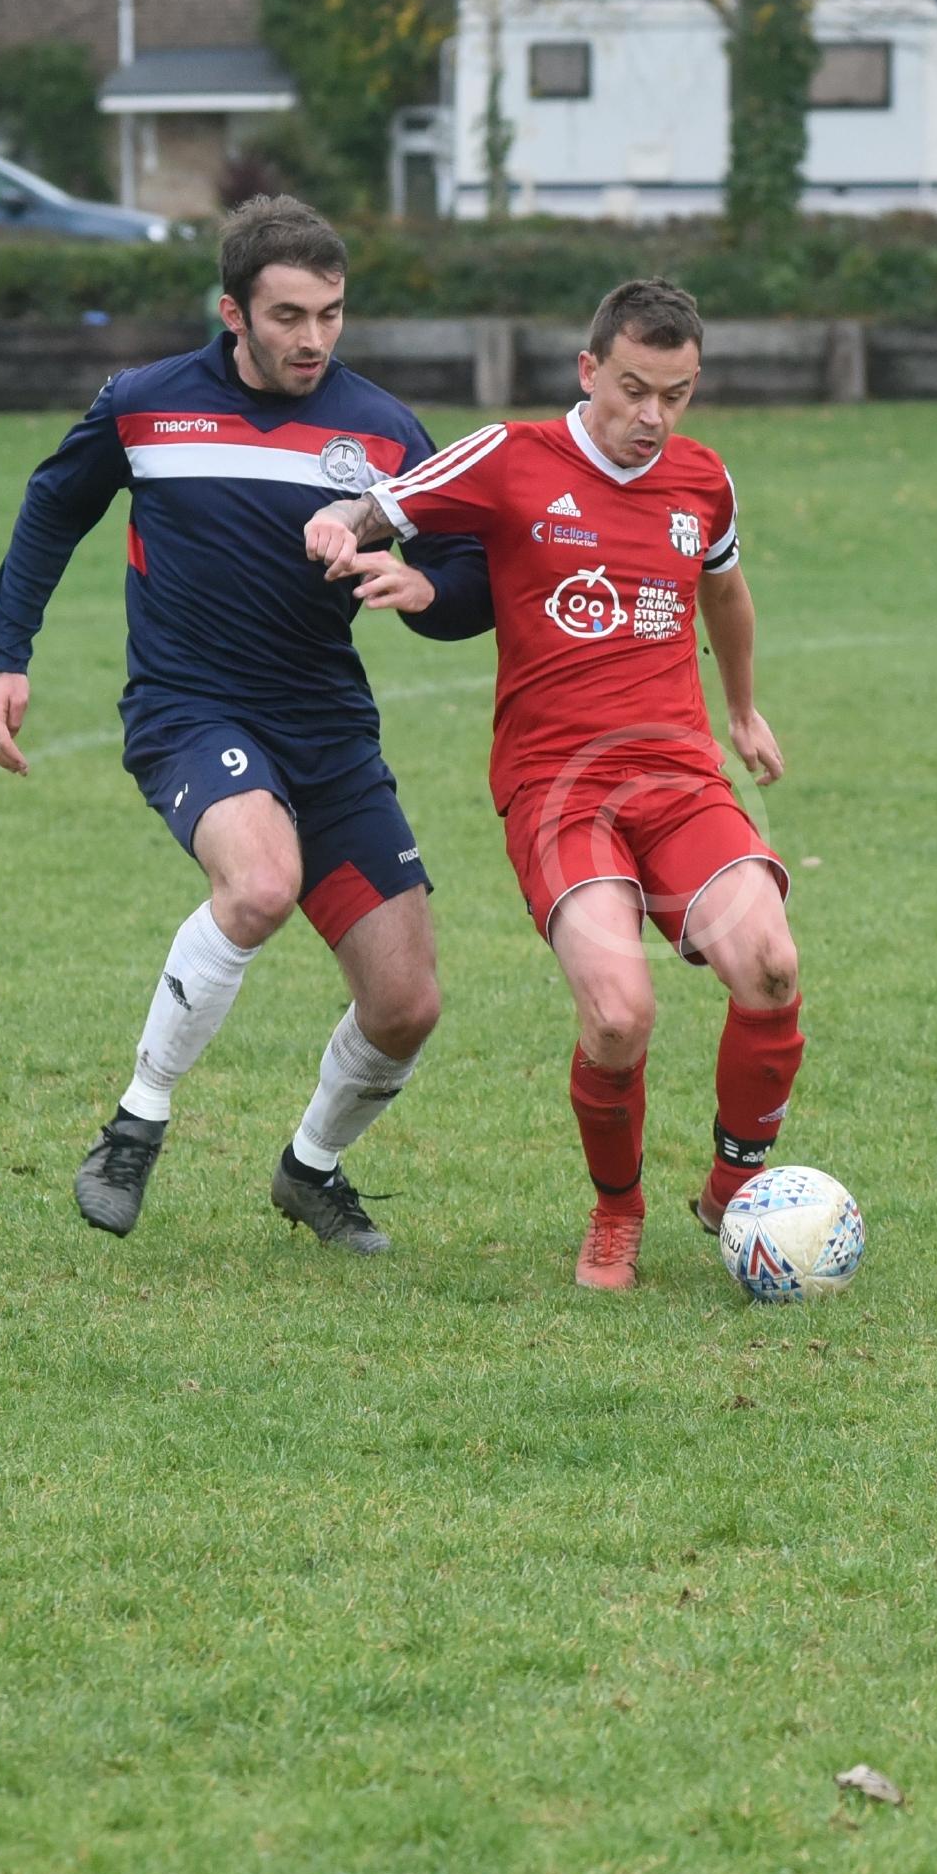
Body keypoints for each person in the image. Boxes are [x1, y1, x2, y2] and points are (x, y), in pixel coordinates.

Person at [0, 195, 491, 1255]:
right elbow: (54, 505)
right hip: (187, 708)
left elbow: (467, 576)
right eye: (288, 315)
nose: (313, 338)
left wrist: (421, 586)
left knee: (405, 1005)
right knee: (258, 884)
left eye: (331, 314)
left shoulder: (385, 432)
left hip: (328, 730)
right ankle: (134, 1125)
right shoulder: (146, 404)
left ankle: (310, 1168)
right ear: (233, 312)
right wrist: (6, 655)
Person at [302, 278, 805, 1291]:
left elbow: (726, 591)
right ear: (588, 371)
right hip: (557, 785)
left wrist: (743, 709)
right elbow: (380, 505)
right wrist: (339, 527)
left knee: (770, 964)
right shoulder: (512, 456)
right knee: (618, 1015)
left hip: (678, 775)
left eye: (675, 394)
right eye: (633, 389)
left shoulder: (703, 481)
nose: (652, 417)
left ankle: (733, 1188)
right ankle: (616, 1212)